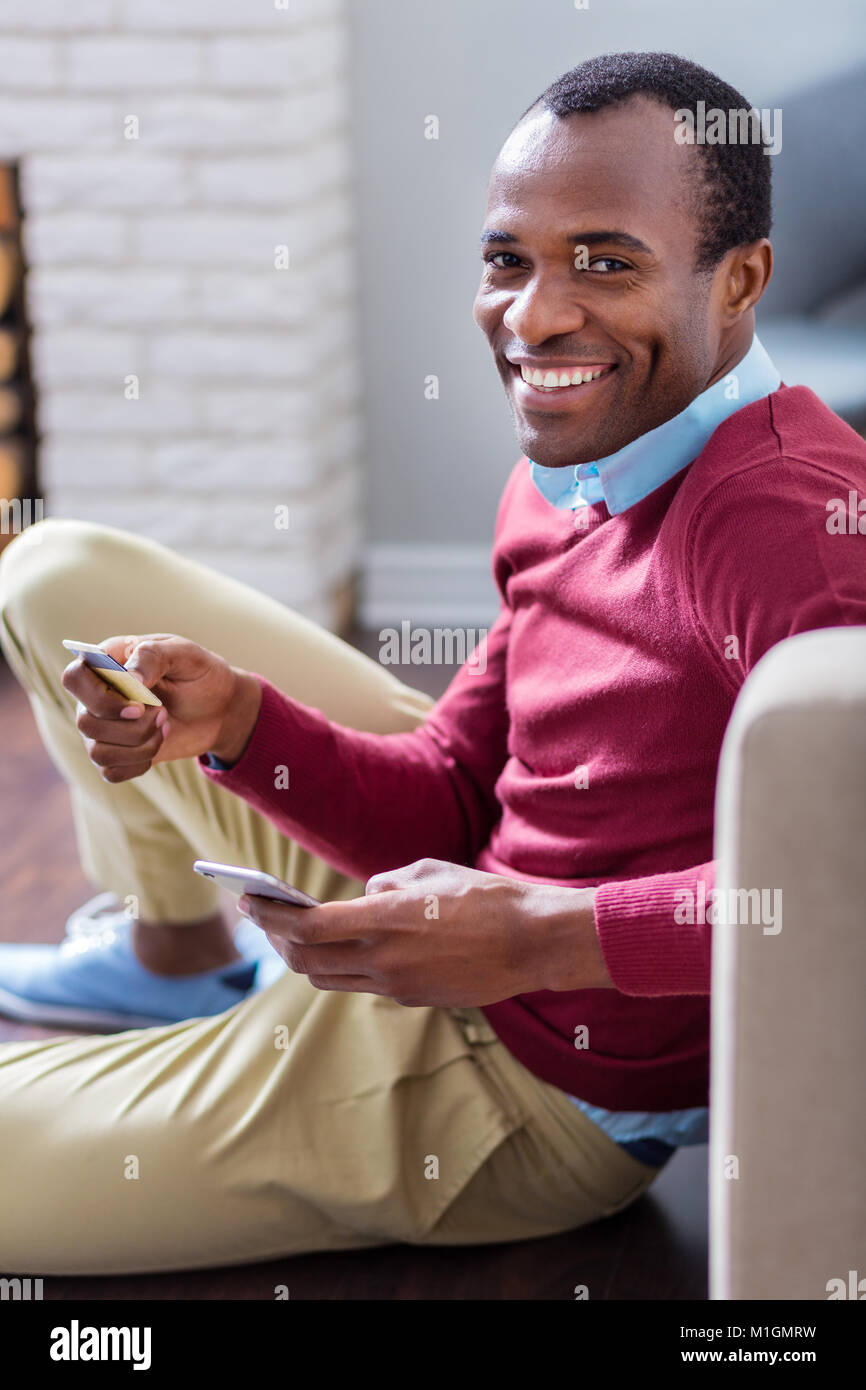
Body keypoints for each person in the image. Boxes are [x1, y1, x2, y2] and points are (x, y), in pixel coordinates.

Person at [1, 52, 863, 1277]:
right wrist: (237, 722)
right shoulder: (583, 461)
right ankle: (180, 963)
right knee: (55, 569)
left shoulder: (788, 529)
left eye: (603, 262)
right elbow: (457, 790)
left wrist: (541, 938)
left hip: (534, 1089)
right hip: (474, 926)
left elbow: (841, 894)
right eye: (508, 259)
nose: (533, 316)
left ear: (739, 280)